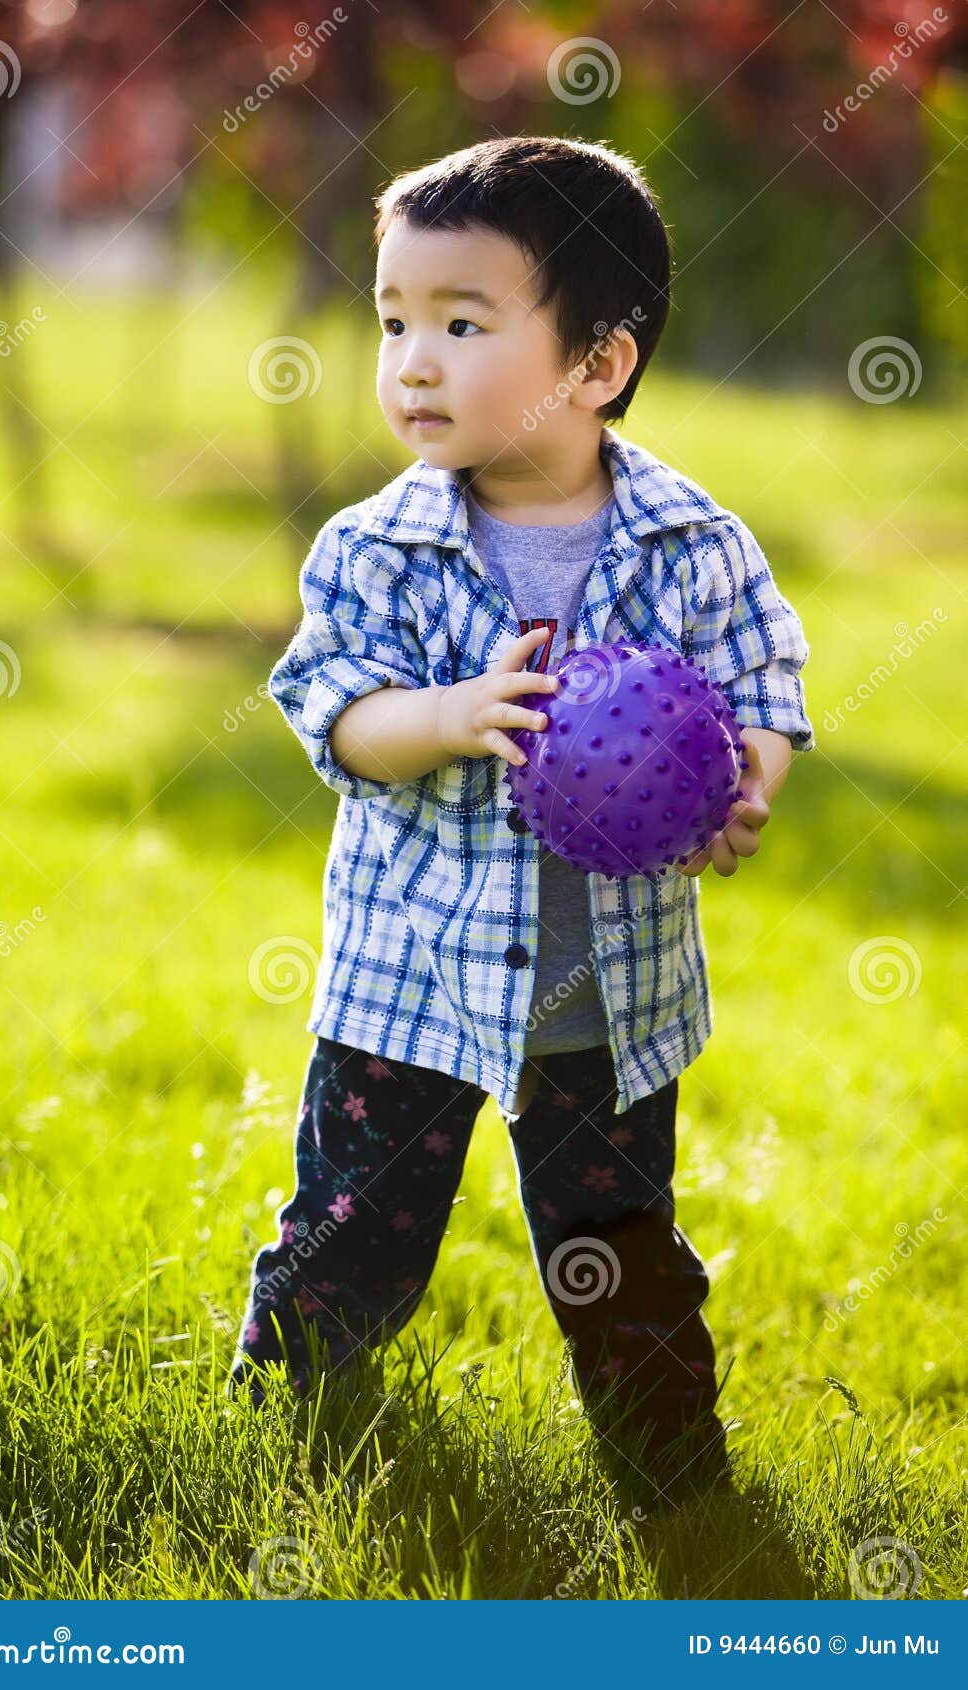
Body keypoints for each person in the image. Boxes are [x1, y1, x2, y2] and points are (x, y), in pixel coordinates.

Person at [227, 136, 815, 1510]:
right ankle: (283, 1422)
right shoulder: (378, 546)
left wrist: (752, 781)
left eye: (462, 323)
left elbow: (762, 687)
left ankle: (675, 1481)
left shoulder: (693, 542)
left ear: (597, 363)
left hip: (605, 1000)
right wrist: (452, 713)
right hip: (409, 985)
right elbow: (337, 716)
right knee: (350, 1231)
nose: (411, 360)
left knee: (622, 1252)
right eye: (392, 322)